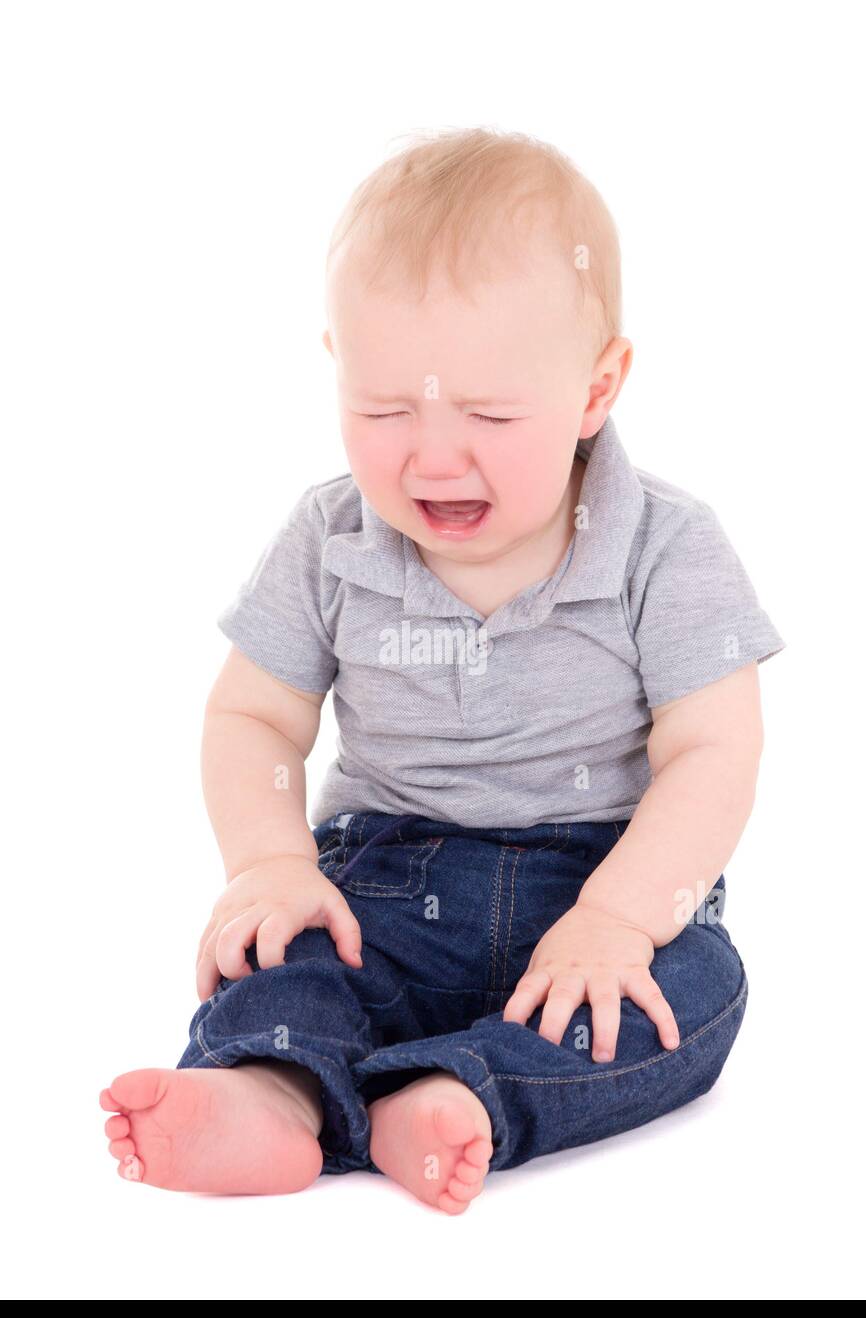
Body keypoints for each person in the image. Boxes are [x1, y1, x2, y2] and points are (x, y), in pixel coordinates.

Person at [100, 127, 785, 1214]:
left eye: (488, 415)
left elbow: (714, 747)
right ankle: (273, 1091)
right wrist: (268, 864)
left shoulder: (665, 545)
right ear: (338, 370)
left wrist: (618, 914)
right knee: (285, 962)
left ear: (595, 387)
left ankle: (457, 1091)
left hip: (598, 880)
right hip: (385, 881)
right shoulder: (329, 538)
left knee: (695, 995)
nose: (430, 455)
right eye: (383, 410)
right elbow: (252, 719)